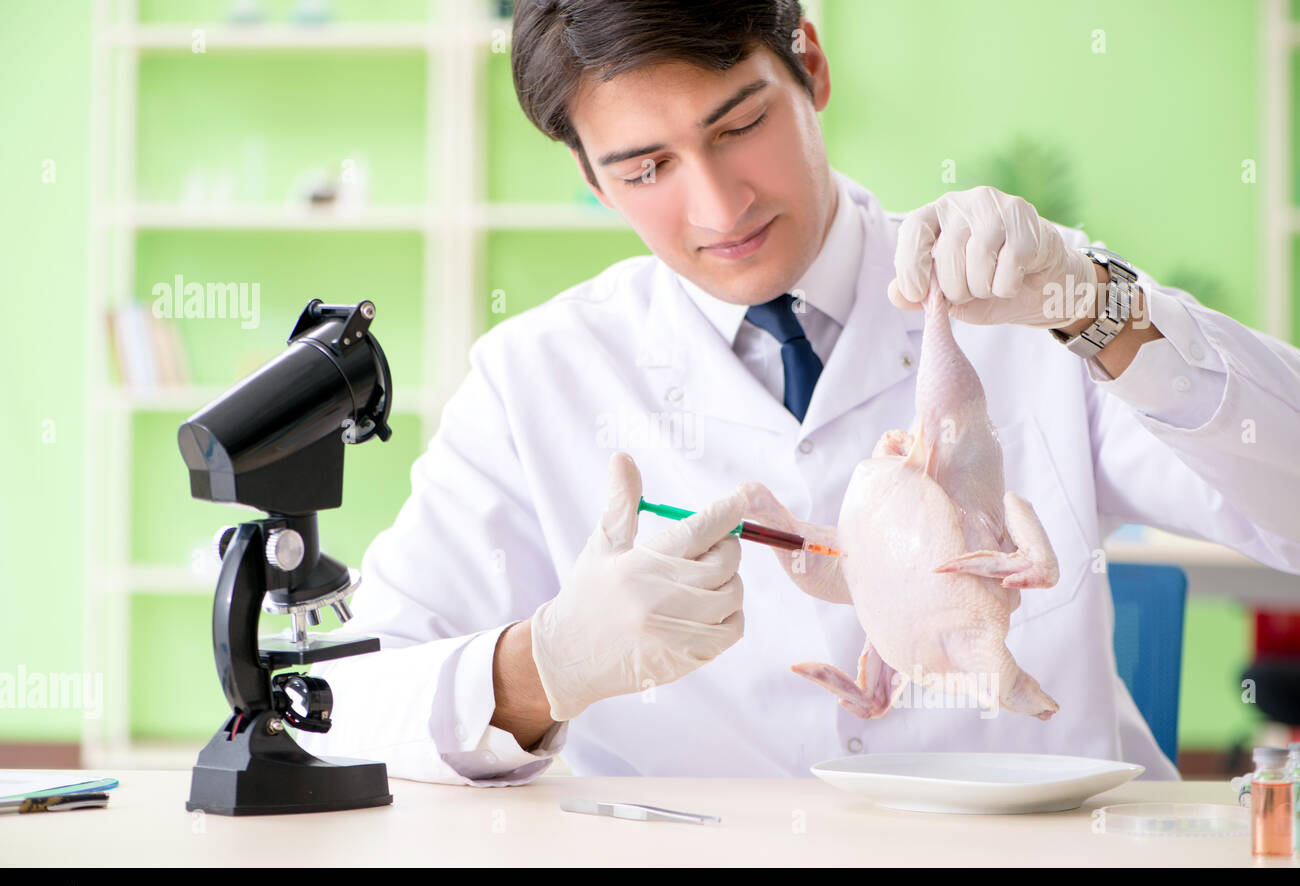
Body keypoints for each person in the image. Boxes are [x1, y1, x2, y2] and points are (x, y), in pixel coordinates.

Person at [296, 0, 1300, 784]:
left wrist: (1106, 313)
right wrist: (540, 667)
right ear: (591, 181)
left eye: (737, 126)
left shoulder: (1032, 295)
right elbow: (334, 708)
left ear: (809, 66)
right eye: (645, 169)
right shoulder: (534, 378)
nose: (717, 204)